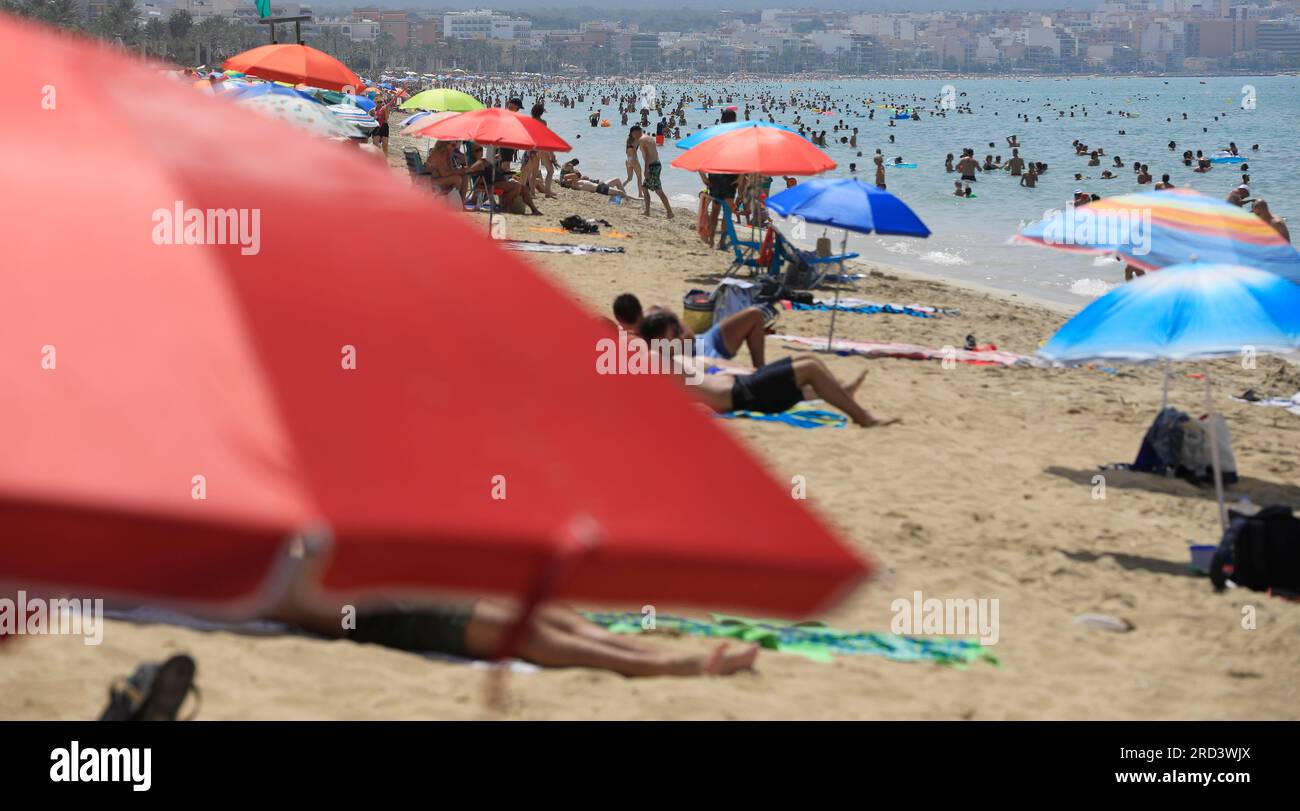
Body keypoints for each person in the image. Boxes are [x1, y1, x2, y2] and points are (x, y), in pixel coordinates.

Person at [281, 600, 758, 678]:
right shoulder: (269, 582)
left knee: (545, 613)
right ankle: (672, 665)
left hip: (406, 591)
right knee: (526, 632)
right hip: (386, 617)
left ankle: (657, 652)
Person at [638, 312, 896, 428]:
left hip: (743, 386)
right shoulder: (655, 358)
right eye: (674, 332)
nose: (681, 335)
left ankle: (844, 394)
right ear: (660, 338)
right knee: (808, 367)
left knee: (807, 358)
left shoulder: (673, 357)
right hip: (741, 396)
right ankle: (863, 418)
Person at [614, 294, 769, 367]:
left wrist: (670, 346)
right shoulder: (630, 337)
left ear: (642, 310)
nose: (638, 327)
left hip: (704, 341)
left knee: (754, 315)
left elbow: (689, 335)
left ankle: (761, 369)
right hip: (696, 362)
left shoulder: (658, 312)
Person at [629, 125, 672, 219]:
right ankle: (649, 211)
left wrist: (646, 169)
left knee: (655, 190)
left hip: (652, 166)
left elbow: (648, 155)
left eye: (633, 134)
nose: (633, 136)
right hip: (656, 164)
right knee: (649, 188)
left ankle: (668, 212)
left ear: (636, 132)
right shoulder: (649, 138)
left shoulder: (642, 140)